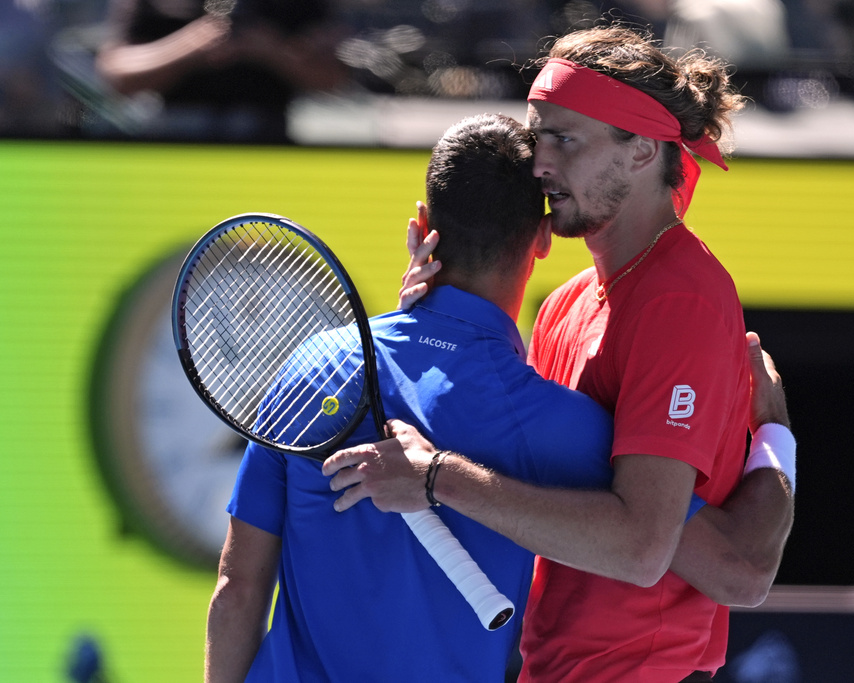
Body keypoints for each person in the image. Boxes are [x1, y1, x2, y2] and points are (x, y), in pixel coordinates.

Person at [323, 23, 795, 682]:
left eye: (563, 139)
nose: (538, 163)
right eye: (538, 135)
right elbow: (525, 472)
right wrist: (426, 323)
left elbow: (641, 546)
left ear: (639, 151)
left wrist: (437, 477)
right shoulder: (565, 303)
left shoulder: (681, 299)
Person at [206, 112, 712, 681]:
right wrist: (775, 437)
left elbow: (237, 590)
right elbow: (733, 567)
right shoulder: (565, 427)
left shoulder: (310, 368)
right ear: (543, 240)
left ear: (423, 228)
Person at [94, 0, 346, 142]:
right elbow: (116, 74)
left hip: (265, 144)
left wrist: (271, 50)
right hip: (175, 142)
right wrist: (190, 46)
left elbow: (333, 79)